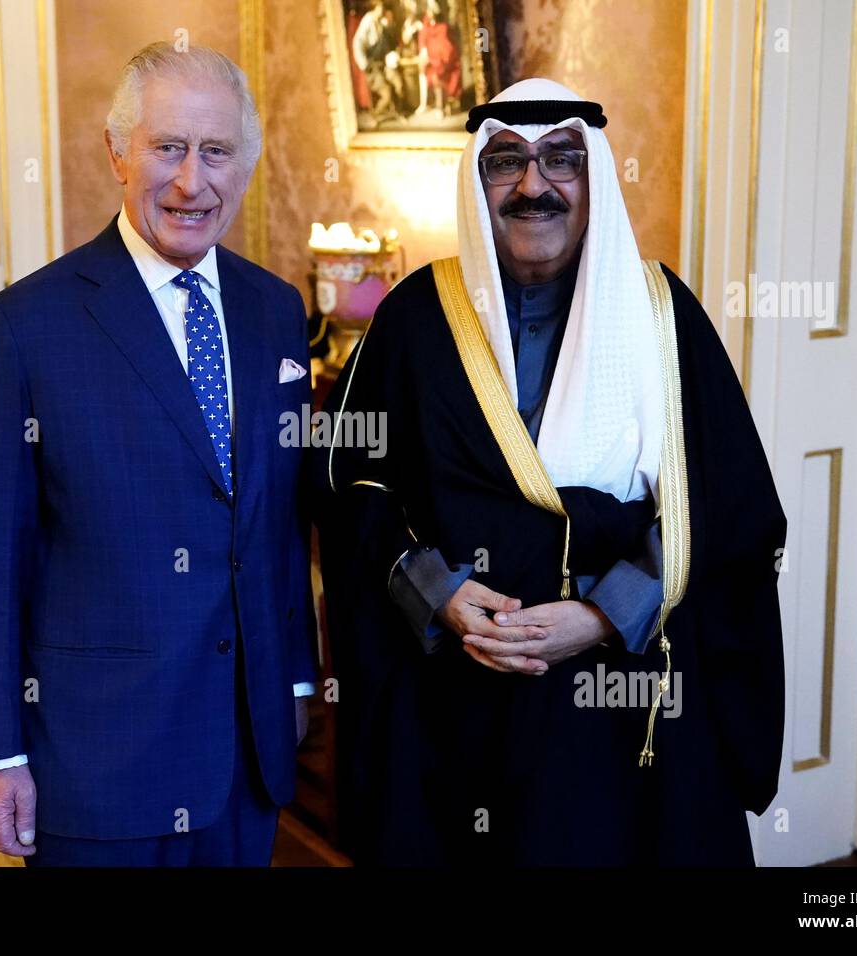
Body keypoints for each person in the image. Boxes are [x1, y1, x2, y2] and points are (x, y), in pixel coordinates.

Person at [314, 78, 787, 865]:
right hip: (454, 695)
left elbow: (729, 512)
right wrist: (442, 595)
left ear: (594, 174)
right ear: (479, 181)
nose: (534, 185)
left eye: (561, 159)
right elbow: (351, 486)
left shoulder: (662, 316)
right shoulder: (416, 317)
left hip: (618, 704)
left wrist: (603, 616)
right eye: (506, 162)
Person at [0, 42, 317, 867]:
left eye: (216, 151)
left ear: (246, 164)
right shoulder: (27, 327)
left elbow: (280, 523)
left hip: (246, 752)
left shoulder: (275, 310)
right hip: (97, 757)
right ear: (117, 152)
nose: (193, 183)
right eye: (168, 148)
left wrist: (294, 678)